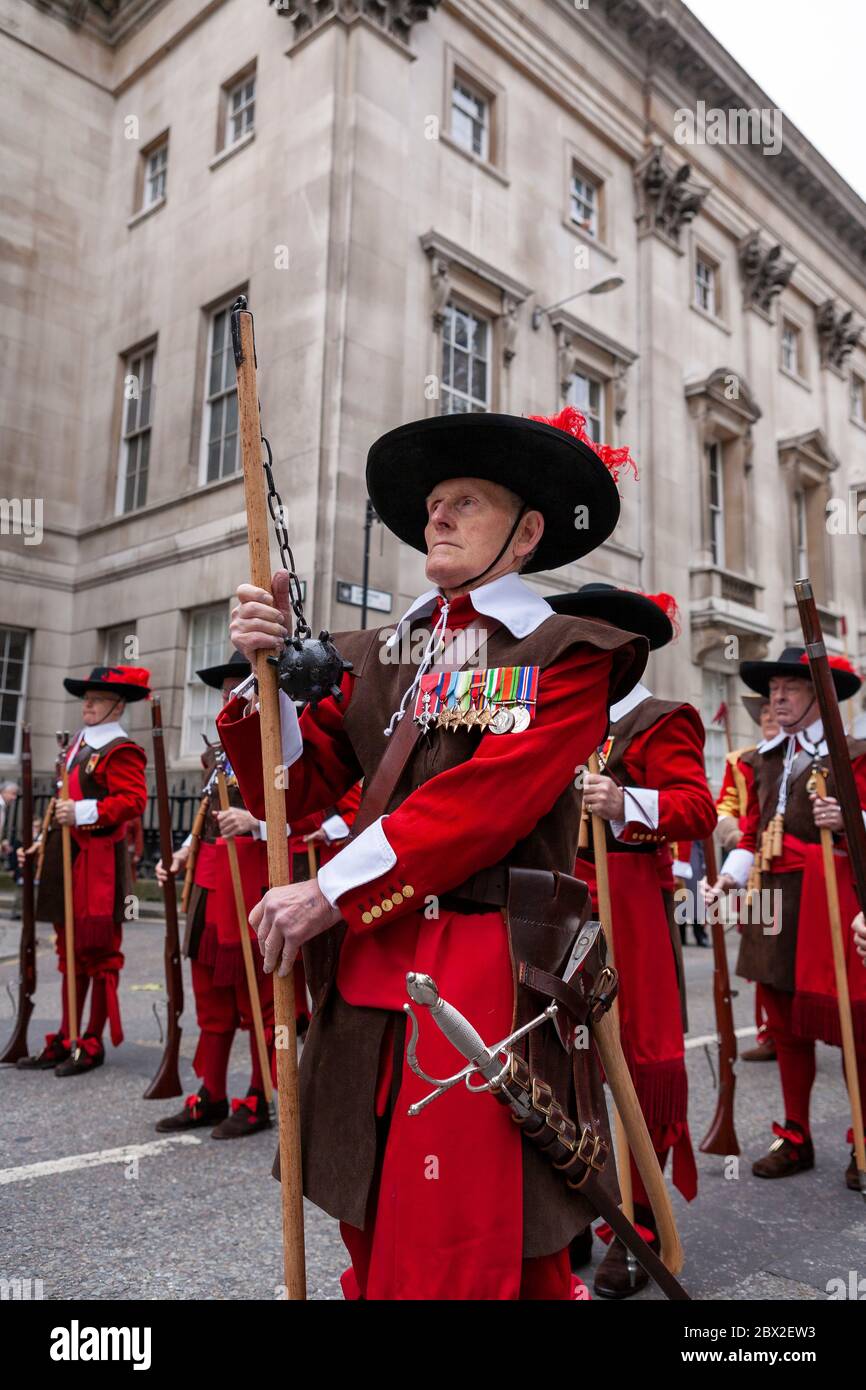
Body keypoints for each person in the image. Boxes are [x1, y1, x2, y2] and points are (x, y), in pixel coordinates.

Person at [218, 407, 648, 1301]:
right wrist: (270, 680)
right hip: (371, 965)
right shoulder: (385, 651)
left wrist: (324, 895)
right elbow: (294, 793)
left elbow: (477, 809)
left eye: (466, 502)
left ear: (527, 534)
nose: (437, 517)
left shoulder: (567, 653)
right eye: (433, 503)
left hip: (482, 974)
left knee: (465, 1241)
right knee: (365, 1205)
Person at [549, 584, 716, 1297]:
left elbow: (697, 808)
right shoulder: (555, 720)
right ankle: (585, 1204)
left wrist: (625, 802)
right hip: (556, 901)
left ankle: (641, 1220)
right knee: (564, 1063)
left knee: (636, 1061)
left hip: (628, 903)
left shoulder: (659, 719)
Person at [705, 648, 866, 1188]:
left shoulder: (855, 754)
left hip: (829, 898)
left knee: (853, 1029)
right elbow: (751, 831)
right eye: (773, 687)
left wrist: (850, 820)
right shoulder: (766, 758)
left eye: (790, 688)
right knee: (786, 1023)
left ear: (820, 695)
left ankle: (861, 1139)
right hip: (772, 897)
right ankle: (796, 1134)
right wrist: (729, 876)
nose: (777, 697)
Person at [154, 651, 277, 1138]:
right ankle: (212, 1092)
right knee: (212, 1002)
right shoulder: (219, 752)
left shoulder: (279, 749)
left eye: (238, 689)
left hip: (250, 891)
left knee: (259, 1005)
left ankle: (257, 1096)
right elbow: (204, 820)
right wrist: (182, 853)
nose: (228, 698)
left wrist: (258, 824)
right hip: (208, 887)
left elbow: (329, 821)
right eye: (225, 690)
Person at [16, 666, 150, 1075]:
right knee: (67, 951)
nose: (86, 704)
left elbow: (133, 802)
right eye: (86, 697)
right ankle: (67, 1031)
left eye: (95, 698)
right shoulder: (77, 746)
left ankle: (91, 1039)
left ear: (117, 705)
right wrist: (40, 842)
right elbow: (61, 801)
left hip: (98, 862)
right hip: (64, 857)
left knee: (98, 953)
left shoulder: (121, 749)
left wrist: (82, 811)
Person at [715, 694, 780, 1062]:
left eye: (775, 709)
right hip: (753, 866)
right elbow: (725, 807)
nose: (770, 716)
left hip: (794, 863)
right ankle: (770, 1030)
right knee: (762, 951)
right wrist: (740, 837)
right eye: (765, 712)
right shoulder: (740, 761)